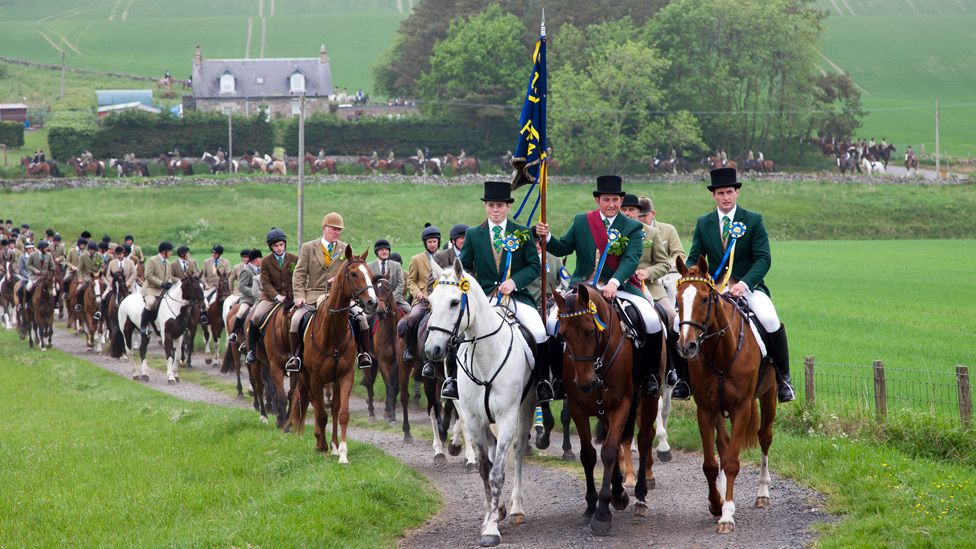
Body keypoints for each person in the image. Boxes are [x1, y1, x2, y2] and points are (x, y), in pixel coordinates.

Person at [536, 175, 664, 397]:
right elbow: (564, 247)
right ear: (598, 201)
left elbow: (631, 258)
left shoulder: (633, 227)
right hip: (583, 287)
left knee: (652, 319)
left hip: (620, 286)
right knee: (550, 323)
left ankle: (650, 375)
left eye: (615, 199)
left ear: (621, 201)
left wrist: (614, 282)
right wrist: (547, 238)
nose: (611, 204)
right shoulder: (581, 221)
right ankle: (557, 379)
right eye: (607, 200)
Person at [679, 167, 795, 403]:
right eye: (720, 193)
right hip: (713, 288)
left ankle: (783, 379)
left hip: (747, 287)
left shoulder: (753, 220)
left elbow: (764, 258)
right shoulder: (704, 222)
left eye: (729, 192)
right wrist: (691, 276)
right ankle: (682, 379)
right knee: (678, 322)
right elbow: (694, 256)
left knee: (770, 320)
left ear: (737, 193)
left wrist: (745, 283)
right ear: (714, 196)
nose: (725, 197)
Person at [442, 181, 548, 401]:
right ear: (485, 207)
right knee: (461, 332)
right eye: (491, 205)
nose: (495, 210)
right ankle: (452, 380)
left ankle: (543, 382)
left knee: (538, 331)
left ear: (508, 206)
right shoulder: (473, 234)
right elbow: (466, 267)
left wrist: (514, 282)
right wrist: (471, 287)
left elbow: (534, 266)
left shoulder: (522, 233)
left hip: (517, 296)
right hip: (486, 297)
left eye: (500, 205)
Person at [289, 212, 373, 371]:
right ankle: (296, 357)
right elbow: (299, 273)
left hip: (338, 297)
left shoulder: (344, 248)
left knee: (362, 319)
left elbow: (350, 272)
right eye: (334, 229)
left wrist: (339, 281)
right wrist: (299, 296)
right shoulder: (308, 247)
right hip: (313, 295)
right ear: (324, 228)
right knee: (295, 321)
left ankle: (363, 354)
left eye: (339, 230)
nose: (337, 232)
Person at [243, 228, 298, 365]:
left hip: (292, 297)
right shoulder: (266, 262)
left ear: (285, 244)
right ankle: (252, 349)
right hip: (271, 298)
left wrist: (296, 295)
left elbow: (298, 278)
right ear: (271, 247)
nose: (279, 248)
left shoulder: (294, 259)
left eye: (281, 245)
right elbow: (265, 283)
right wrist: (276, 296)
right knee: (256, 316)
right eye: (275, 246)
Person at [398, 224, 441, 364]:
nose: (433, 244)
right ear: (425, 243)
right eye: (430, 242)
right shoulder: (416, 259)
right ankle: (408, 348)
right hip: (423, 299)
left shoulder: (444, 256)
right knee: (413, 316)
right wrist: (417, 294)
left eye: (435, 241)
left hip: (440, 299)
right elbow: (410, 281)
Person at [638, 196, 686, 268]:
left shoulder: (669, 230)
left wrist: (666, 265)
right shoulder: (630, 230)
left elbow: (679, 253)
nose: (641, 219)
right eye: (638, 216)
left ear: (653, 214)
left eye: (644, 215)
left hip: (663, 274)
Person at [228, 249, 262, 345]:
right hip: (248, 299)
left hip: (261, 298)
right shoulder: (246, 270)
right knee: (241, 312)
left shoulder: (260, 269)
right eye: (261, 258)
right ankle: (234, 333)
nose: (262, 260)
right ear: (256, 259)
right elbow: (241, 286)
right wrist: (254, 292)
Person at [140, 242, 174, 335]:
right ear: (164, 252)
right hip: (150, 289)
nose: (171, 253)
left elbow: (169, 276)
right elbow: (148, 276)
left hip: (162, 290)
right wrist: (162, 284)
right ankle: (143, 326)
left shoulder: (168, 263)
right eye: (170, 251)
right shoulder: (152, 260)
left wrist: (169, 283)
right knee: (150, 303)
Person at [367, 239, 409, 315]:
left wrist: (392, 299)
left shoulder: (396, 265)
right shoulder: (369, 266)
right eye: (382, 250)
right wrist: (379, 300)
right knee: (365, 319)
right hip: (376, 301)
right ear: (377, 252)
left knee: (411, 314)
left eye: (386, 250)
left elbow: (401, 284)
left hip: (396, 300)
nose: (385, 252)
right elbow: (368, 285)